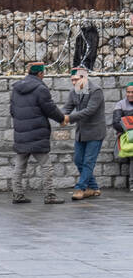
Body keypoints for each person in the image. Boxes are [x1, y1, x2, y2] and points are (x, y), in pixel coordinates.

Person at [10, 61, 67, 205]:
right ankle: (50, 196)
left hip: (21, 133)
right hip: (37, 133)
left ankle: (18, 195)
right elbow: (50, 109)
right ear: (40, 73)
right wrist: (61, 119)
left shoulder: (16, 88)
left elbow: (12, 111)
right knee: (46, 165)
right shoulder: (41, 89)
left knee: (19, 166)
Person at [64, 66, 106, 200]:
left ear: (84, 78)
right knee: (78, 160)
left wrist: (69, 118)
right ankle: (93, 187)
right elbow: (67, 108)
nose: (73, 83)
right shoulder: (73, 91)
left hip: (95, 132)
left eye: (76, 79)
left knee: (88, 162)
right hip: (81, 132)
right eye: (72, 80)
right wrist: (58, 116)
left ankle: (80, 188)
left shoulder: (96, 91)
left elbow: (90, 111)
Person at [110, 81, 133, 190]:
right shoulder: (121, 104)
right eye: (128, 92)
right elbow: (116, 123)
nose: (130, 94)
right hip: (126, 138)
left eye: (132, 92)